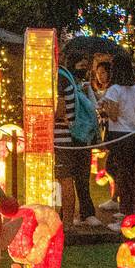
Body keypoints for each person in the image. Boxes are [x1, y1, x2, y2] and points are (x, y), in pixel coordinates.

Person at [97, 54, 135, 224]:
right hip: (132, 133)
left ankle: (126, 213)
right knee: (129, 174)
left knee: (122, 175)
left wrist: (104, 107)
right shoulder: (134, 88)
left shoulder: (114, 89)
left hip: (119, 134)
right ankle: (128, 208)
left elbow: (114, 116)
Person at [56, 57, 100, 227]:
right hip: (79, 134)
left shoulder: (61, 78)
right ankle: (79, 214)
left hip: (70, 135)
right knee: (77, 176)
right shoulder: (71, 80)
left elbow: (61, 110)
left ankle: (68, 220)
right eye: (81, 64)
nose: (83, 68)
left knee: (68, 178)